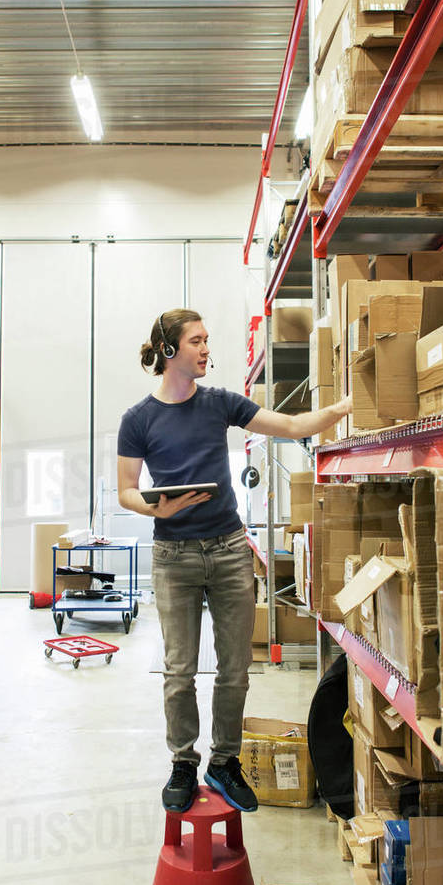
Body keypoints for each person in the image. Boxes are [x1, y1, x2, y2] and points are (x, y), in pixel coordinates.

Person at [117, 308, 352, 814]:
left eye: (207, 339)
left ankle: (223, 762)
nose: (206, 349)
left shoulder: (219, 403)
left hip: (227, 550)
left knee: (235, 667)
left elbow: (290, 424)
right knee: (179, 671)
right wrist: (160, 504)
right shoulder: (138, 420)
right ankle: (183, 762)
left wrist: (340, 409)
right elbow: (125, 492)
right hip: (173, 555)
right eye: (196, 341)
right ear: (168, 351)